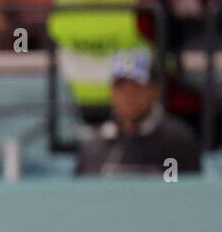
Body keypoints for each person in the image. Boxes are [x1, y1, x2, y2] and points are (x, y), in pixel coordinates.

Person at [75, 49, 202, 177]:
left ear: (154, 91)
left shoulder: (176, 141)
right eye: (120, 86)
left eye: (136, 86)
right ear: (111, 92)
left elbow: (182, 192)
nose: (128, 95)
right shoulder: (94, 145)